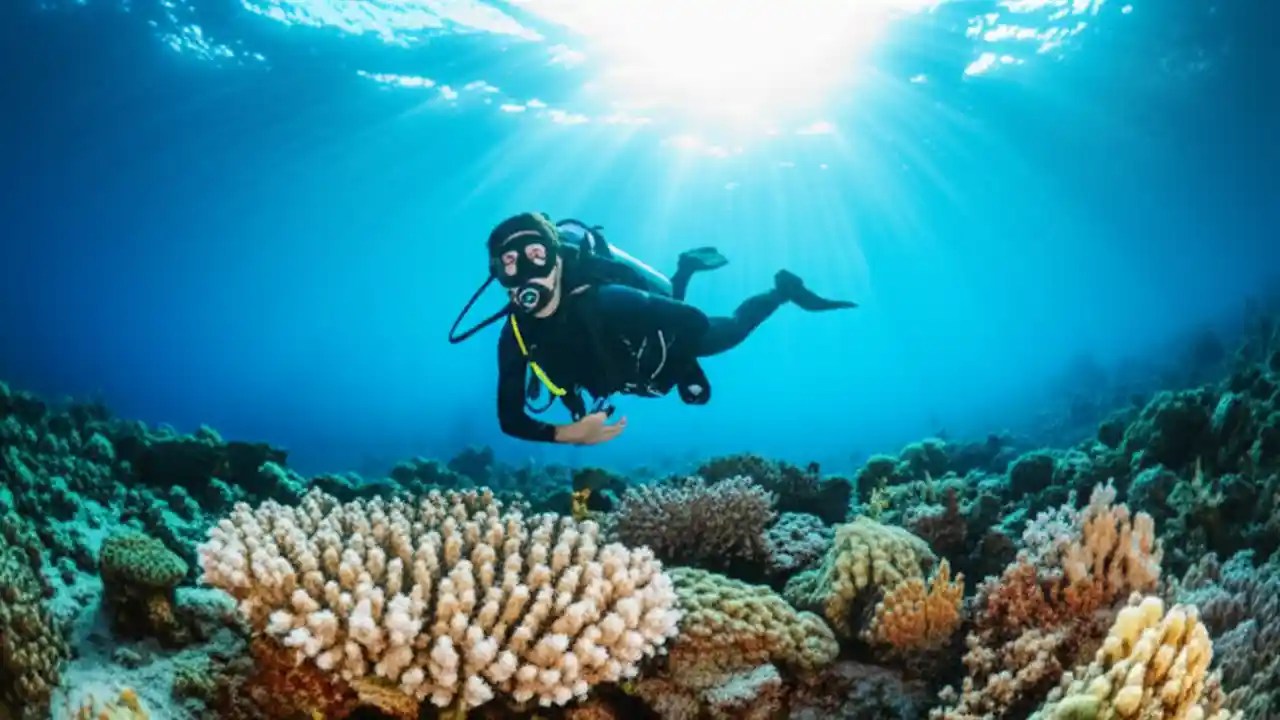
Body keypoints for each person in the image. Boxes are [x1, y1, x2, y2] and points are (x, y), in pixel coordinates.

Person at [448, 212, 856, 445]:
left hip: (661, 345)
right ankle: (685, 269)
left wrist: (684, 362)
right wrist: (570, 433)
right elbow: (510, 418)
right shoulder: (515, 335)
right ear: (497, 274)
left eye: (536, 255)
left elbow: (692, 320)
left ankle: (782, 291)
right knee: (676, 313)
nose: (526, 273)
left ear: (557, 259)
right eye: (511, 263)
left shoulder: (610, 300)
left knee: (730, 330)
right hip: (627, 364)